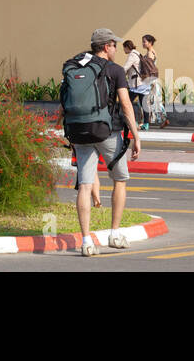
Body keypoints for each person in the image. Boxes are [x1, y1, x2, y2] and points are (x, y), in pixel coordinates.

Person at [64, 28, 141, 257]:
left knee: (85, 185)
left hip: (79, 131)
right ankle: (114, 234)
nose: (116, 48)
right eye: (114, 45)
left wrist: (67, 133)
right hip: (108, 132)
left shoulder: (75, 66)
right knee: (120, 179)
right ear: (106, 46)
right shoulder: (115, 70)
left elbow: (65, 102)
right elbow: (126, 106)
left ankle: (86, 241)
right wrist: (136, 136)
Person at [137, 34, 166, 129]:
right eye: (143, 41)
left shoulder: (150, 53)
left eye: (144, 41)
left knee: (146, 101)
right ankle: (163, 120)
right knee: (155, 101)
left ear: (150, 43)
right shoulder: (151, 52)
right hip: (152, 80)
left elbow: (149, 69)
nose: (143, 43)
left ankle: (145, 122)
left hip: (150, 81)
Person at [121, 39, 144, 126]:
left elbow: (126, 67)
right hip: (141, 82)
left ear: (127, 47)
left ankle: (133, 121)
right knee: (141, 103)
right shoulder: (137, 53)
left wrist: (118, 75)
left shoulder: (132, 55)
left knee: (128, 103)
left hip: (135, 84)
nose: (124, 50)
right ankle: (143, 122)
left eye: (124, 48)